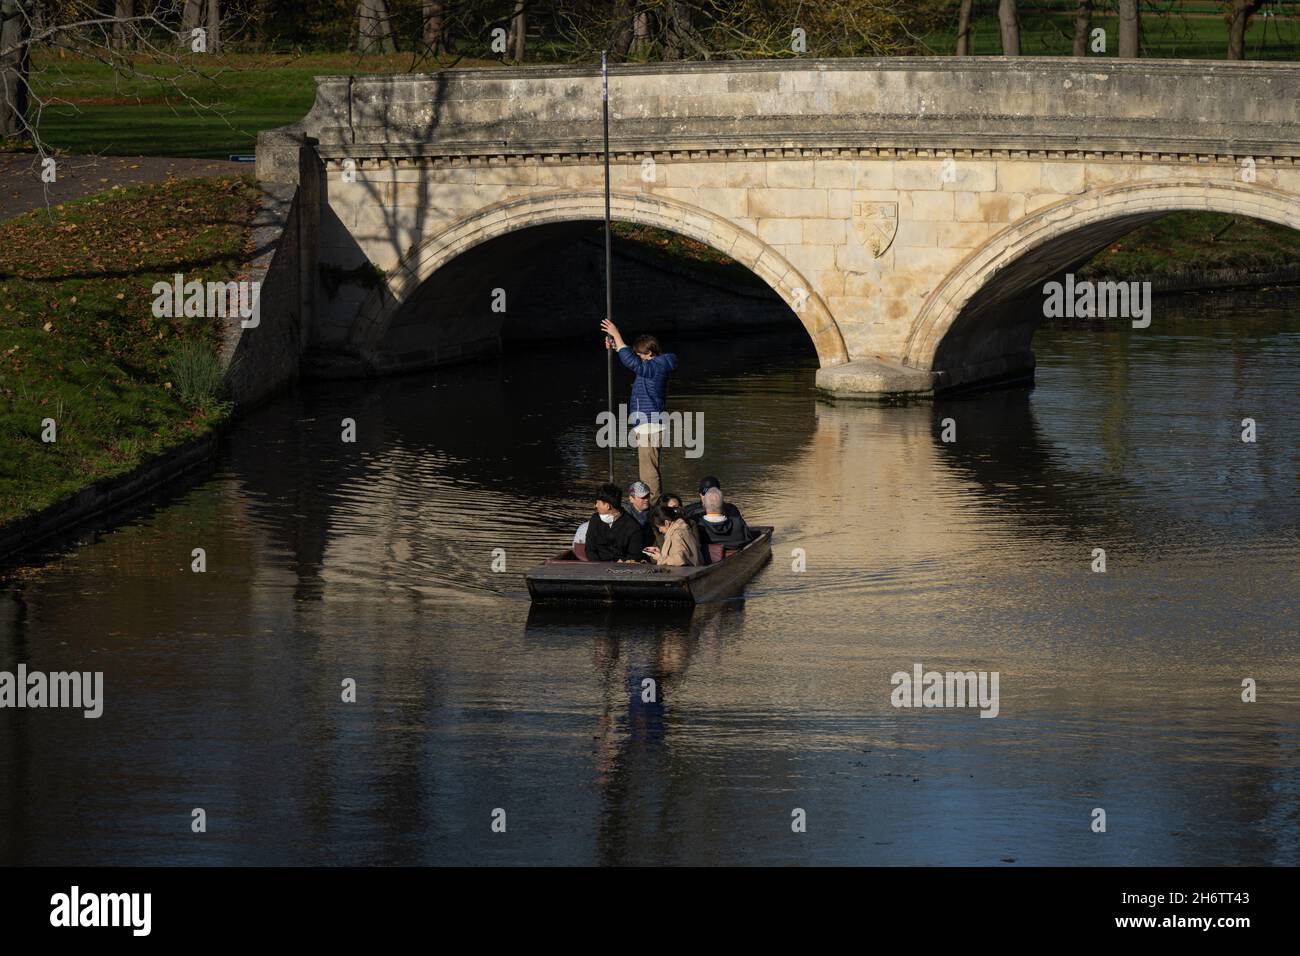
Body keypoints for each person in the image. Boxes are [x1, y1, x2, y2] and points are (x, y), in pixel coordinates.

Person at [601, 317, 677, 500]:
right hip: (649, 425)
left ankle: (653, 508)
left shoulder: (655, 367)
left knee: (648, 472)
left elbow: (632, 362)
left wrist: (617, 336)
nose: (639, 359)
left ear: (650, 353)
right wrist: (617, 347)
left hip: (649, 425)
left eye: (641, 355)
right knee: (649, 469)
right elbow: (633, 360)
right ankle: (654, 505)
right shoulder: (653, 366)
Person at [584, 482, 646, 562]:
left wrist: (621, 563)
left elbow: (635, 555)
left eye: (597, 503)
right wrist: (597, 565)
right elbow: (589, 548)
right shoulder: (595, 519)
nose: (595, 506)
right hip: (597, 567)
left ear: (607, 506)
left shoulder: (633, 527)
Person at [696, 487, 752, 551]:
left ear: (703, 505)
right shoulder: (738, 523)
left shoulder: (697, 526)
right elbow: (749, 541)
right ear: (723, 505)